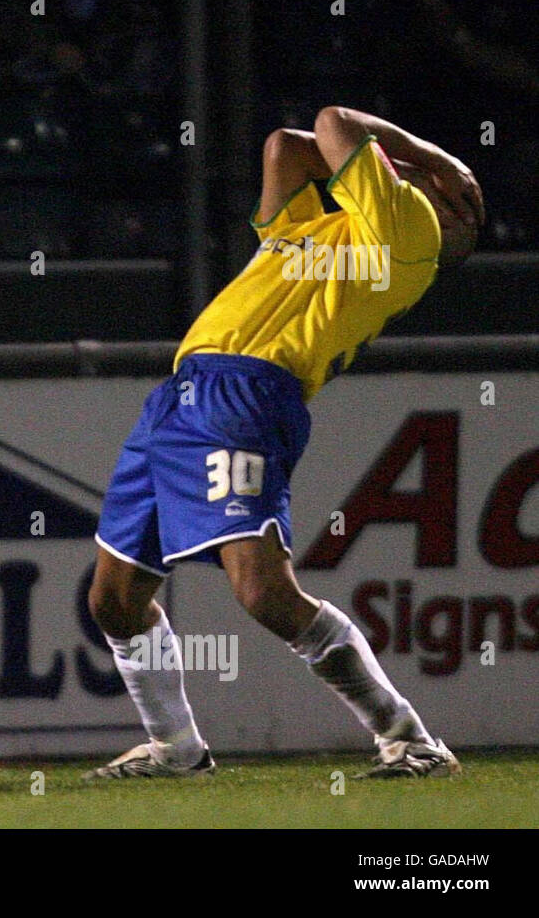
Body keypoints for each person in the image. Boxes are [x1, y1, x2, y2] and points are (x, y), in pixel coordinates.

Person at [83, 105, 483, 780]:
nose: (401, 168)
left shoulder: (407, 234)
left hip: (246, 395)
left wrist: (436, 159)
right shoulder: (328, 227)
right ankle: (176, 749)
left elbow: (334, 123)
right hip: (180, 398)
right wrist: (417, 158)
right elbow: (285, 146)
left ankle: (409, 738)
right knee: (114, 599)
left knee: (264, 591)